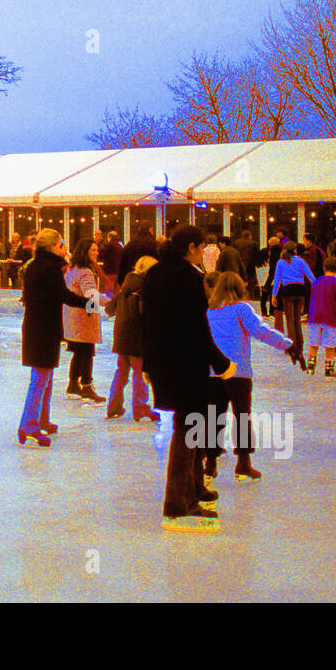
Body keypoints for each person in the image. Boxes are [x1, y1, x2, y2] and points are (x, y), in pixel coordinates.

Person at [143, 225, 236, 532]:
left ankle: (195, 489)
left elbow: (149, 320)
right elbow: (197, 328)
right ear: (194, 248)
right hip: (185, 362)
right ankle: (178, 505)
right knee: (189, 428)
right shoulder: (189, 277)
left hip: (163, 361)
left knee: (191, 425)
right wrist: (221, 362)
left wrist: (148, 361)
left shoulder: (156, 273)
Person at [204, 271, 293, 482]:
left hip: (213, 372)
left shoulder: (209, 311)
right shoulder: (241, 309)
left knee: (213, 417)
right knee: (241, 416)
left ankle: (210, 463)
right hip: (238, 371)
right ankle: (243, 463)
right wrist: (287, 345)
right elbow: (259, 330)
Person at [16, 229, 95, 448]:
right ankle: (28, 425)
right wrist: (88, 303)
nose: (65, 248)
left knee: (45, 376)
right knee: (40, 377)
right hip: (43, 329)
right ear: (51, 247)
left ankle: (41, 419)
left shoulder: (37, 265)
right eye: (61, 245)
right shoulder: (48, 269)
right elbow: (63, 296)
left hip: (39, 327)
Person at [104, 253, 158, 421]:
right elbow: (147, 316)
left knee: (121, 372)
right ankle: (140, 407)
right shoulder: (144, 290)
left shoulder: (126, 287)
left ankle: (114, 406)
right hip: (137, 338)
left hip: (121, 336)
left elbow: (109, 308)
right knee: (140, 373)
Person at [64, 237, 106, 403]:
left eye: (96, 249)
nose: (97, 252)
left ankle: (73, 384)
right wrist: (110, 302)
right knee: (87, 352)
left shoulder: (72, 269)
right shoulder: (86, 272)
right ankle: (87, 385)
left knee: (79, 352)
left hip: (72, 316)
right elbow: (91, 295)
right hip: (84, 317)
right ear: (85, 252)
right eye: (93, 250)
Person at [271, 239, 315, 367]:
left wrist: (274, 295)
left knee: (289, 320)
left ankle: (292, 347)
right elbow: (310, 276)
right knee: (297, 319)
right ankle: (300, 347)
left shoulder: (281, 262)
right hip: (300, 290)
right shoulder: (300, 260)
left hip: (288, 290)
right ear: (294, 250)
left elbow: (277, 279)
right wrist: (317, 287)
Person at [306, 256, 336, 379]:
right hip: (330, 317)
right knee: (330, 344)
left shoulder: (317, 281)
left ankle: (311, 366)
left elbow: (312, 295)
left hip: (315, 316)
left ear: (324, 268)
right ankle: (329, 368)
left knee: (314, 342)